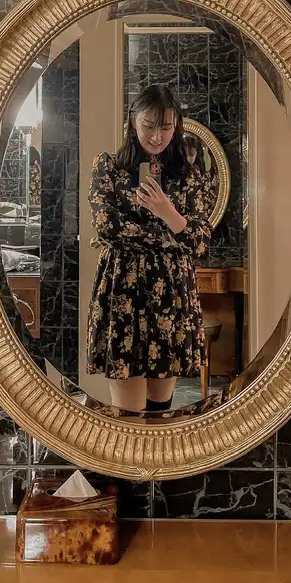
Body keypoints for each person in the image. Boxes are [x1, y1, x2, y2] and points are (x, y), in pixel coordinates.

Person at [86, 85, 211, 413]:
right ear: (133, 122)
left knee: (160, 412)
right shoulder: (109, 167)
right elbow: (107, 227)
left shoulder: (187, 176)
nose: (157, 136)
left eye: (166, 127)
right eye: (149, 126)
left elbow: (200, 241)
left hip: (170, 293)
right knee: (128, 415)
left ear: (176, 125)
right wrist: (172, 233)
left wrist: (167, 212)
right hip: (123, 291)